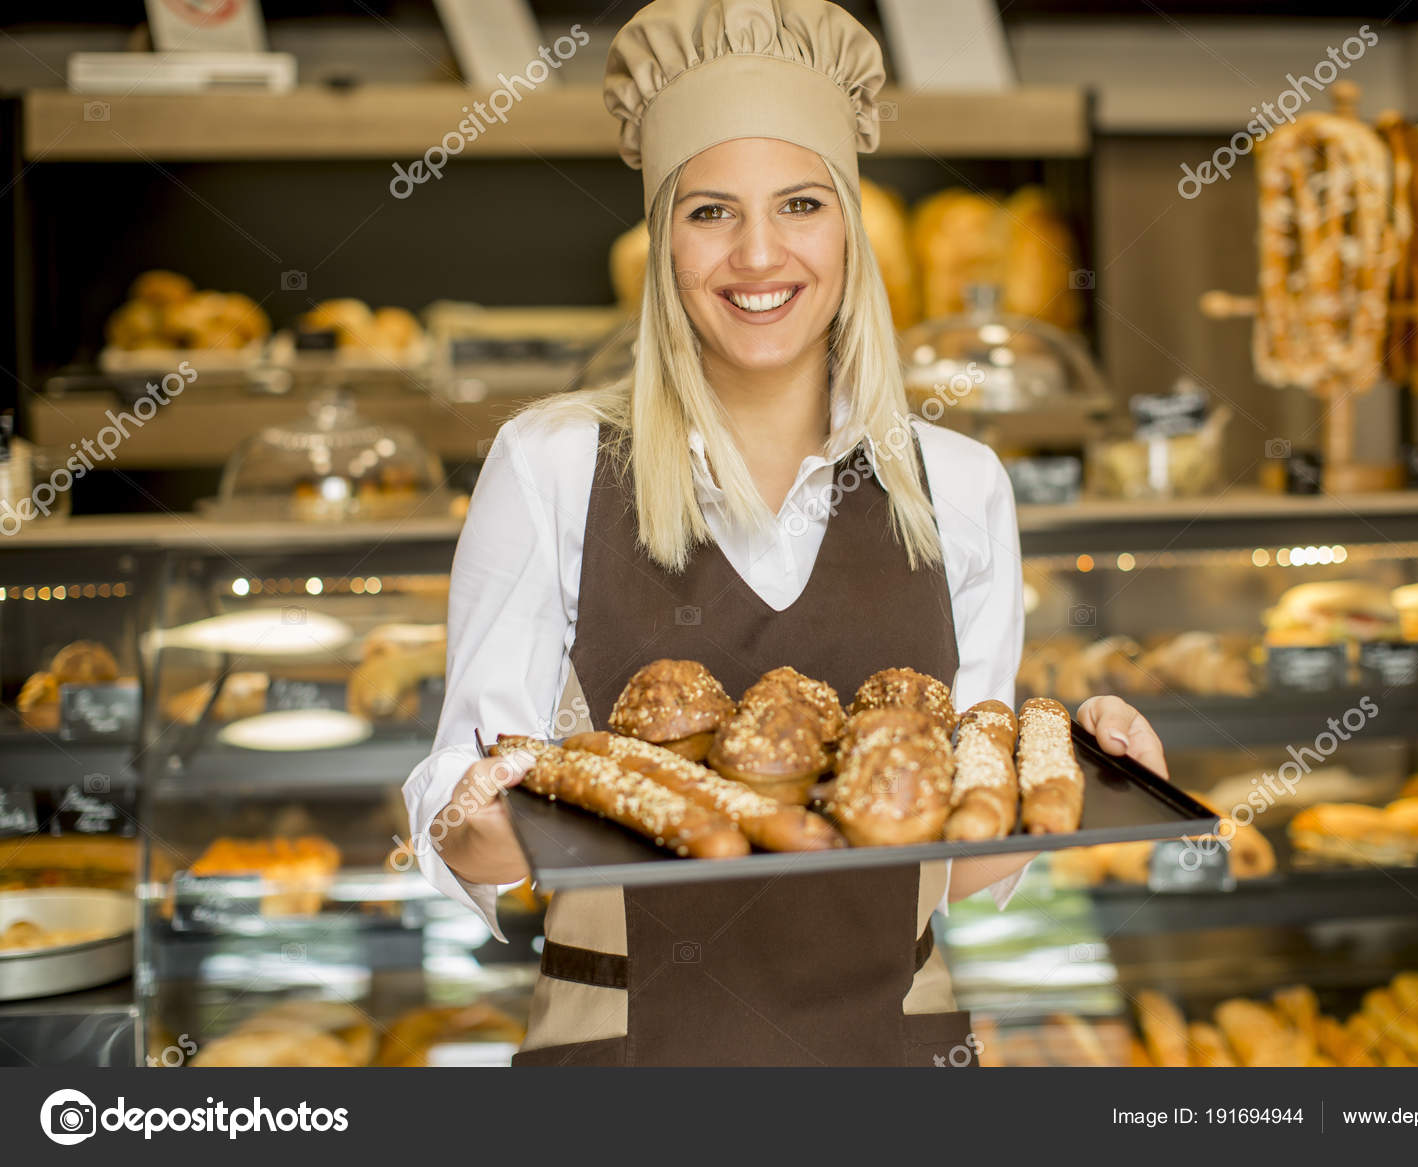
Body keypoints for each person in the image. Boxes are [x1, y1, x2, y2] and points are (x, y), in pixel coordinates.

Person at [402, 0, 1169, 1066]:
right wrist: (480, 821)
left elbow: (959, 864)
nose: (757, 254)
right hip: (623, 1061)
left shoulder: (957, 483)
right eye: (710, 211)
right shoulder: (554, 462)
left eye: (801, 204)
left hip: (898, 1057)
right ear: (662, 238)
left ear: (849, 227)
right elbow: (462, 809)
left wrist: (1080, 785)